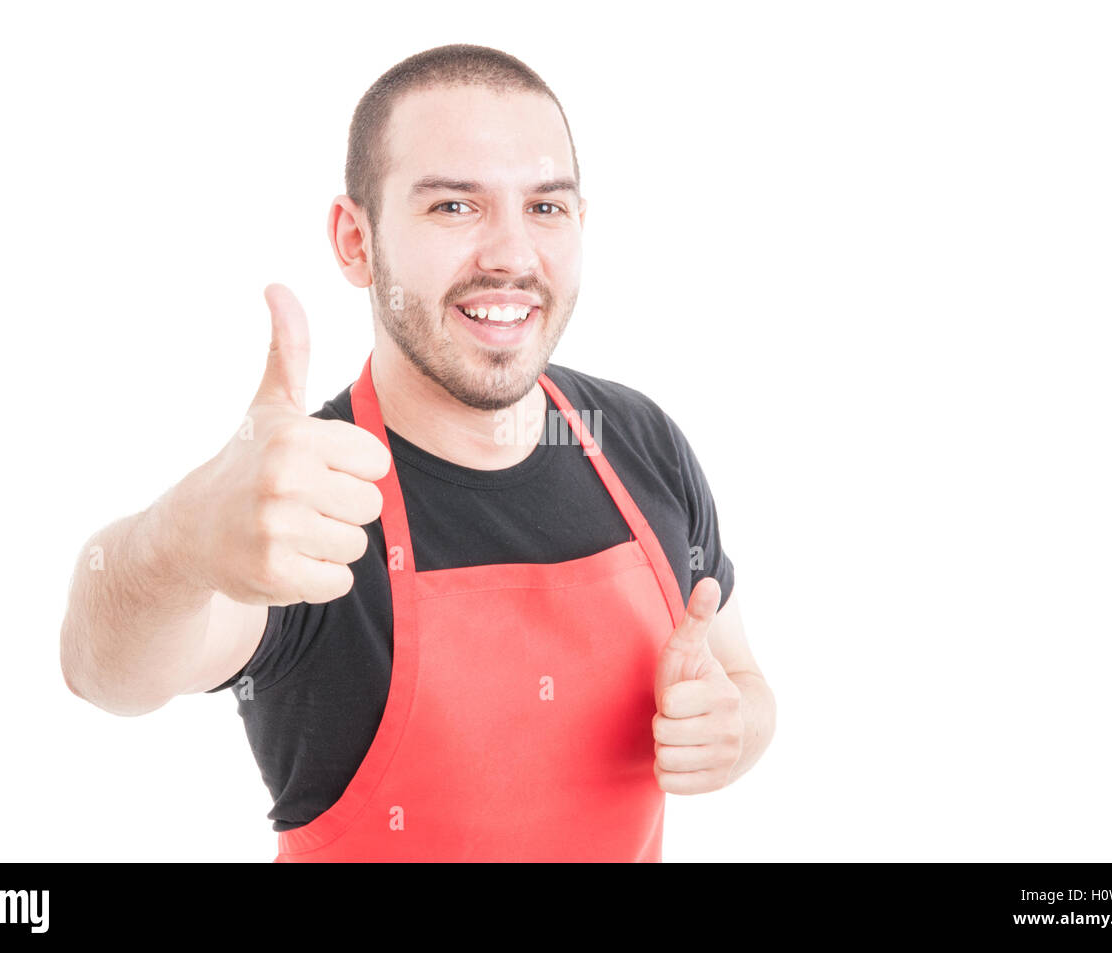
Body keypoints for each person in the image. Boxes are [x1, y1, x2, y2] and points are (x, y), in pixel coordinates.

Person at [59, 43, 776, 862]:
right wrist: (179, 540)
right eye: (453, 207)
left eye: (546, 208)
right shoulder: (306, 502)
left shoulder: (639, 439)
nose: (511, 254)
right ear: (355, 241)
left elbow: (743, 680)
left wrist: (732, 730)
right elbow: (97, 668)